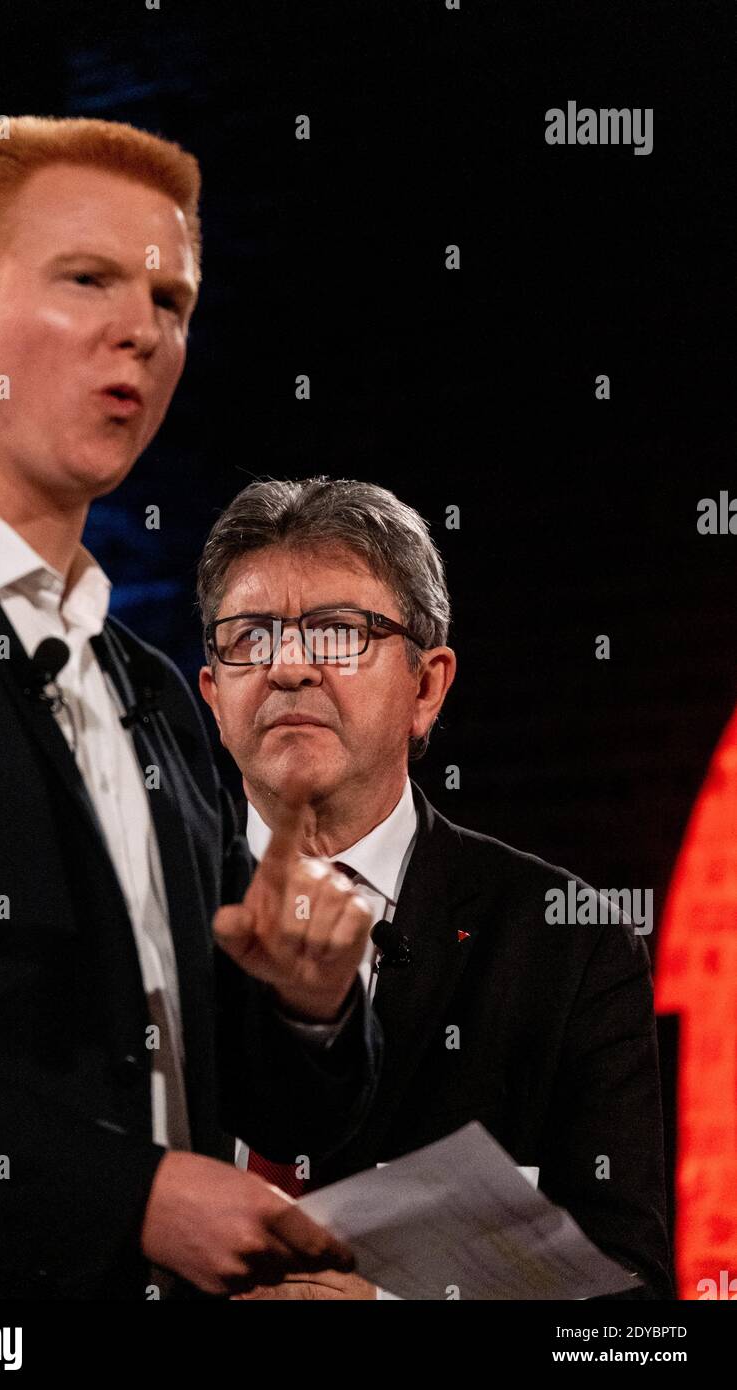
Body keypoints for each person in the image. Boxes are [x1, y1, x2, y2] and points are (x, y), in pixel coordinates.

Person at [0, 118, 382, 1300]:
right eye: (88, 279)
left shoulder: (147, 688)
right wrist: (129, 1199)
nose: (141, 331)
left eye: (171, 298)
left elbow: (258, 1106)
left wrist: (306, 1005)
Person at [197, 475, 674, 1300]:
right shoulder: (132, 912)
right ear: (212, 693)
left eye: (339, 632)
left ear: (427, 687)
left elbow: (634, 1320)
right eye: (250, 636)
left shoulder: (571, 948)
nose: (287, 668)